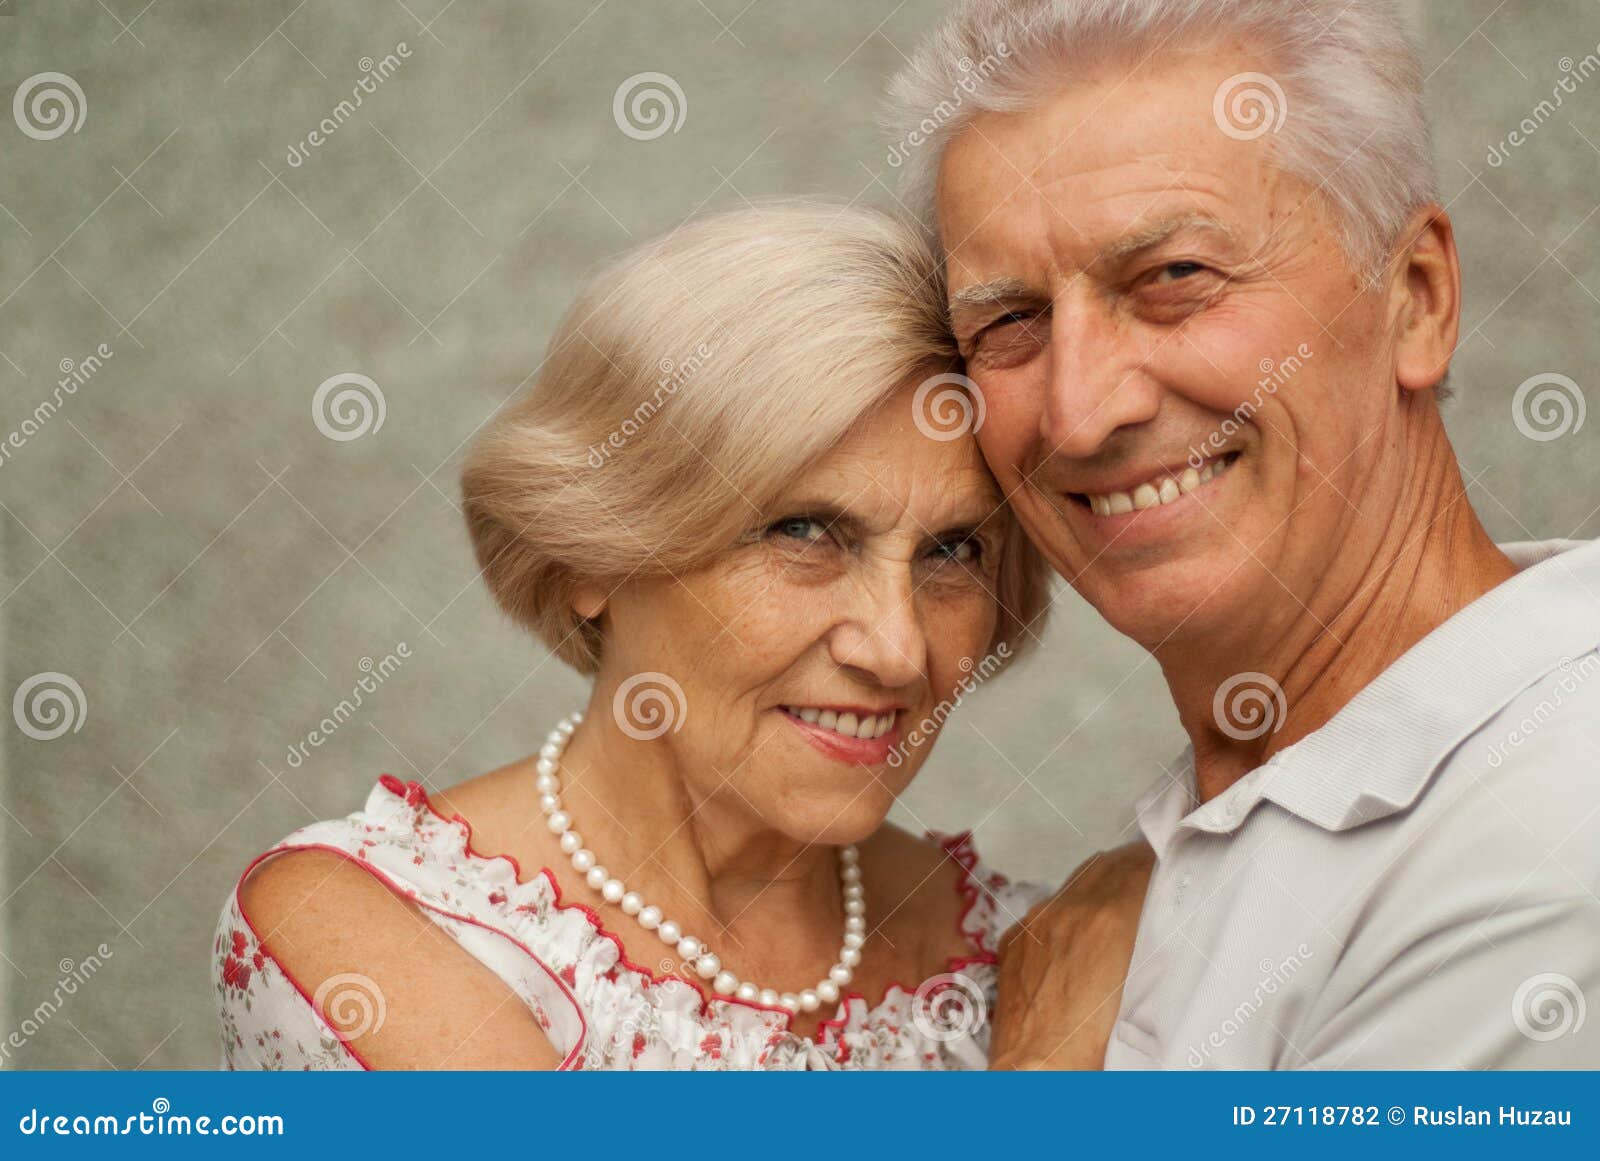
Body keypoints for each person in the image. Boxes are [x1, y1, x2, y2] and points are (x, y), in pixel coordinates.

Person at [886, 0, 1600, 1067]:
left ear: (1414, 300)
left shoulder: (1554, 820)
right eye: (1008, 324)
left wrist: (1035, 1072)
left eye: (1173, 279)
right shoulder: (1202, 834)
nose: (1081, 413)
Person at [213, 200, 1060, 1070]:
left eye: (953, 551)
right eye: (803, 532)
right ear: (591, 555)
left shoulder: (1038, 948)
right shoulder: (365, 920)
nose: (897, 649)